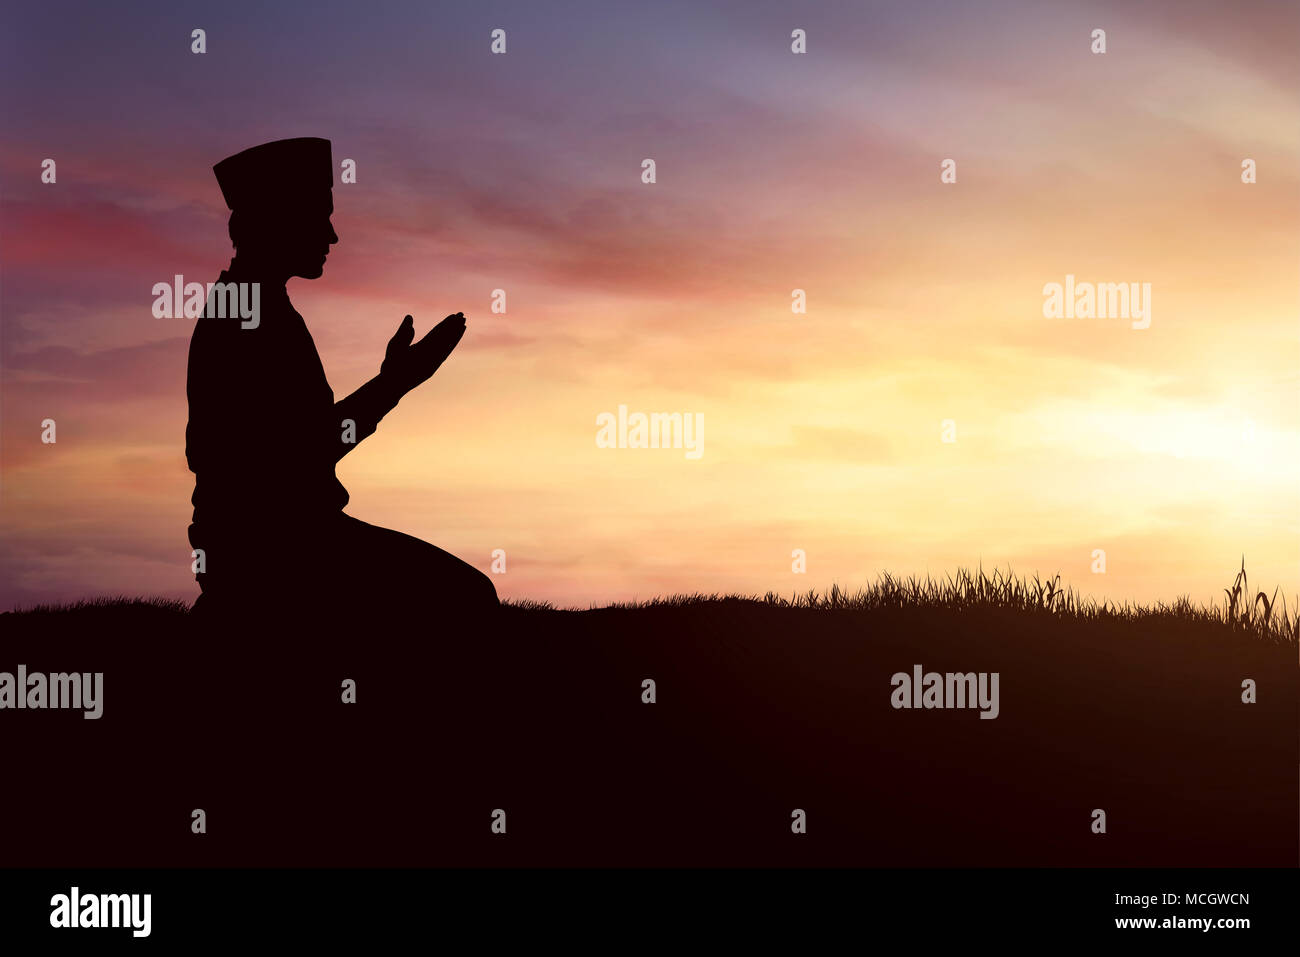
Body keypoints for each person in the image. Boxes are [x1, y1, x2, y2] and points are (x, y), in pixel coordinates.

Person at [185, 137, 498, 626]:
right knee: (469, 599)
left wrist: (393, 383)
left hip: (288, 543)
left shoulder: (258, 309)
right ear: (279, 219)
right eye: (320, 216)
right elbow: (302, 453)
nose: (332, 236)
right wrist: (395, 385)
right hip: (280, 553)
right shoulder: (248, 319)